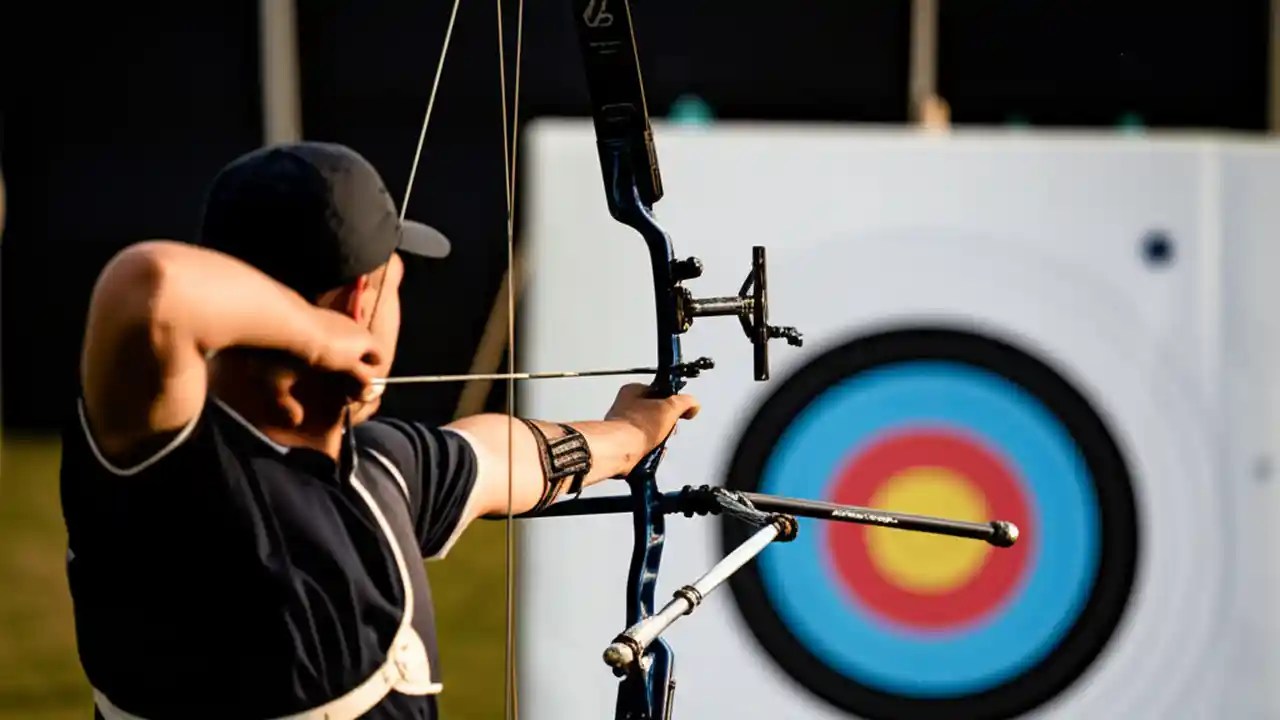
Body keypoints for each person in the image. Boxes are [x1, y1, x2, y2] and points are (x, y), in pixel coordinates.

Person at [60, 141, 700, 719]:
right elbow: (150, 287)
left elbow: (505, 458)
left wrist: (631, 433)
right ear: (363, 296)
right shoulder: (163, 474)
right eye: (396, 281)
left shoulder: (381, 469)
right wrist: (322, 338)